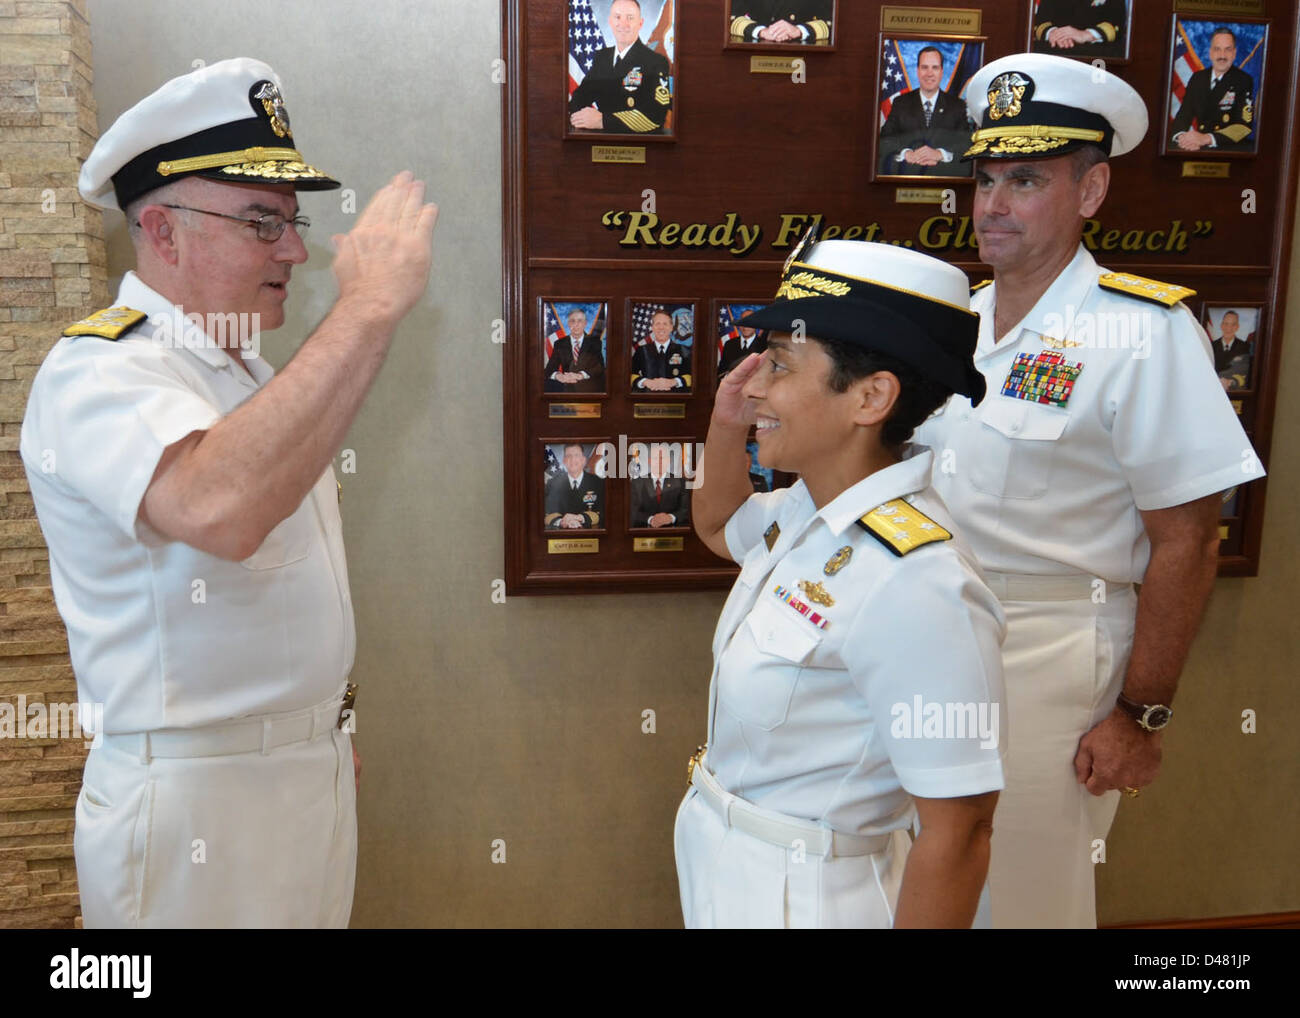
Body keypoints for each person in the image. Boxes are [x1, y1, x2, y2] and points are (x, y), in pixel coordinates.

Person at [19, 58, 438, 928]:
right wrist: (364, 311)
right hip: (193, 812)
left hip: (301, 777)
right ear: (163, 232)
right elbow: (220, 509)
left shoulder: (244, 372)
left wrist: (313, 731)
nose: (295, 249)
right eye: (262, 222)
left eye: (293, 222)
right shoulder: (99, 371)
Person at [916, 53, 1266, 928]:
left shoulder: (1143, 331)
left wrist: (1140, 713)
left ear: (1092, 190)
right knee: (922, 883)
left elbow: (1190, 539)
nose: (992, 203)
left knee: (1025, 897)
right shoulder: (948, 317)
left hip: (1053, 656)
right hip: (925, 642)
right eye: (984, 178)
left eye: (1026, 179)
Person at [675, 235, 1007, 929]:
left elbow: (961, 830)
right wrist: (727, 421)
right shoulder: (806, 508)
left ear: (871, 397)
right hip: (728, 871)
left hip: (812, 899)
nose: (756, 382)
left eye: (780, 365)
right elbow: (717, 524)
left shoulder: (920, 580)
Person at [569, 0, 672, 135]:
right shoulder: (602, 57)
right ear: (610, 22)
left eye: (630, 18)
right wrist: (578, 117)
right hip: (599, 141)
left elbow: (656, 115)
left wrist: (603, 121)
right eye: (617, 17)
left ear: (640, 23)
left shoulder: (655, 62)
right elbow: (580, 96)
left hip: (639, 143)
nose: (623, 24)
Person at [877, 46, 973, 177]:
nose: (929, 73)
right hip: (906, 177)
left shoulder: (957, 106)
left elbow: (966, 144)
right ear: (917, 71)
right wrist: (907, 154)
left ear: (941, 71)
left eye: (935, 67)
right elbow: (884, 140)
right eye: (924, 67)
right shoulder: (901, 103)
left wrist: (940, 154)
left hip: (943, 180)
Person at [1170, 27, 1255, 153]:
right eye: (1217, 49)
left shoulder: (1243, 80)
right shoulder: (1198, 78)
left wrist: (1207, 138)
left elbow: (1242, 126)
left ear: (1234, 53)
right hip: (1196, 147)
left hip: (1226, 148)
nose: (1222, 56)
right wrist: (1182, 138)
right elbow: (1183, 115)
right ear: (1210, 53)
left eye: (1228, 50)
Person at [1032, 0, 1128, 60]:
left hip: (1096, 57)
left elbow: (1115, 24)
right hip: (1053, 51)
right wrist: (1053, 33)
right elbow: (1040, 22)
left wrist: (1085, 35)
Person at [544, 307, 605, 393]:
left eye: (579, 321)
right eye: (572, 321)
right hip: (567, 390)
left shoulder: (595, 342)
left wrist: (580, 375)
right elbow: (549, 369)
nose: (576, 325)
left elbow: (599, 367)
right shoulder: (559, 343)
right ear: (568, 323)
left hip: (589, 390)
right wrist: (558, 376)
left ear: (585, 323)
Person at [545, 444, 605, 529]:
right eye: (569, 456)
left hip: (592, 535)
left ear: (583, 460)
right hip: (561, 536)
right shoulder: (552, 483)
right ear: (564, 460)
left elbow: (604, 512)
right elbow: (548, 512)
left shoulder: (598, 483)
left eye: (576, 455)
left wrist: (580, 518)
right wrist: (561, 522)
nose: (572, 460)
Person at [630, 444, 690, 528]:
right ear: (649, 461)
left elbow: (686, 509)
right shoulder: (637, 483)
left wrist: (670, 517)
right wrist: (650, 519)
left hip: (674, 532)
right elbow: (632, 511)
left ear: (668, 460)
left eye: (662, 458)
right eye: (655, 458)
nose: (659, 461)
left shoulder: (681, 481)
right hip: (644, 532)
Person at [631, 309, 692, 392]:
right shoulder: (641, 351)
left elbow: (691, 376)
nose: (661, 327)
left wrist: (673, 382)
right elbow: (631, 375)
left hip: (676, 401)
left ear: (671, 327)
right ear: (652, 327)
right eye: (657, 324)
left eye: (665, 324)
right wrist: (646, 382)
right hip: (647, 400)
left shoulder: (683, 351)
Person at [729, 1, 832, 44]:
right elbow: (730, 18)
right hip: (752, 53)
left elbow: (831, 22)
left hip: (806, 57)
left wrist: (799, 30)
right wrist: (761, 31)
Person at [717, 310, 767, 379]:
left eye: (749, 323)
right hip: (732, 386)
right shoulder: (729, 344)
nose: (745, 327)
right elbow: (721, 371)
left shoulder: (764, 345)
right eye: (743, 323)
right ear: (739, 326)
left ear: (756, 325)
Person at [1211, 310, 1253, 391]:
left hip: (1235, 391)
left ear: (1237, 327)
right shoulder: (1211, 346)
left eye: (1233, 325)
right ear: (1221, 325)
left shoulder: (1245, 347)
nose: (1229, 328)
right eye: (1226, 324)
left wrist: (1230, 381)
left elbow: (1244, 372)